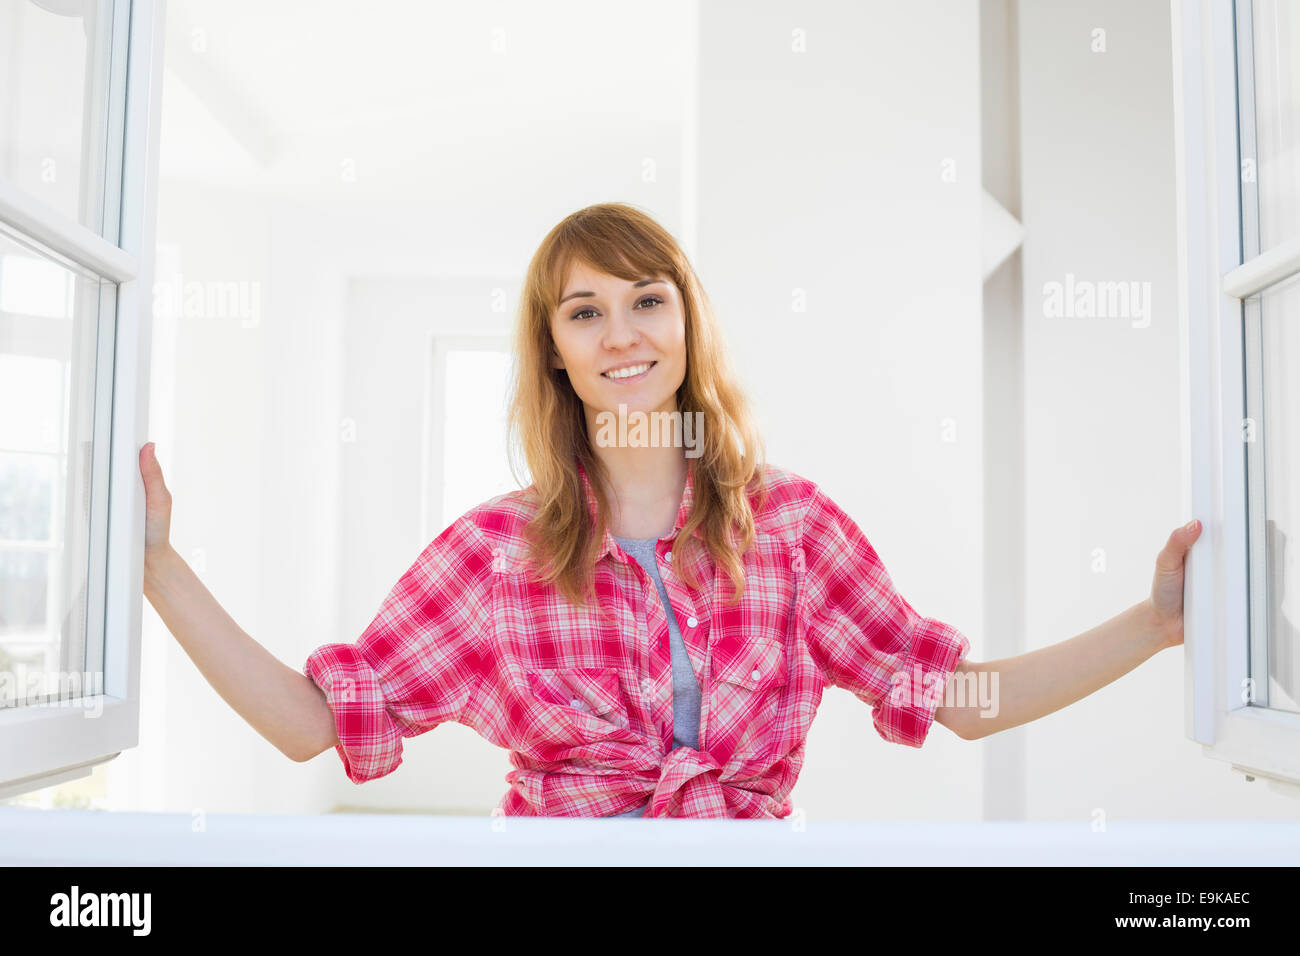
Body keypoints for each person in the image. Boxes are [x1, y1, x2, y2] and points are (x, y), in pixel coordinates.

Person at [140, 202, 1202, 819]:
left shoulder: (791, 528)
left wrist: (1151, 626)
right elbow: (307, 724)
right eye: (585, 311)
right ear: (554, 350)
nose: (622, 333)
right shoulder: (492, 555)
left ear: (685, 318)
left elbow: (956, 695)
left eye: (647, 298)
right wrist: (158, 567)